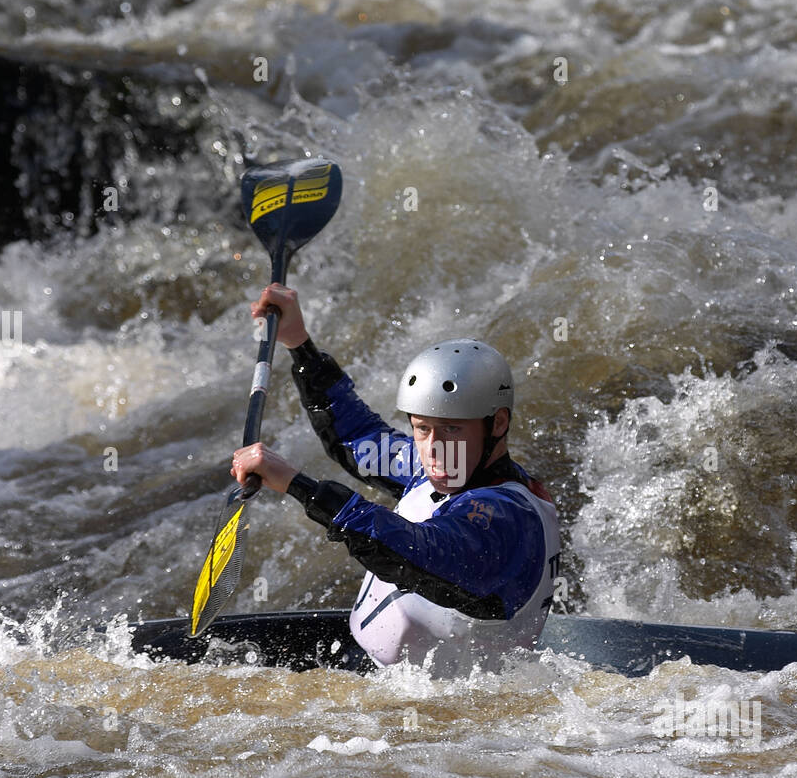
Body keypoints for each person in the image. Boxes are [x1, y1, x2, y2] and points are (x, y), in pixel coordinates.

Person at [231, 283, 561, 675]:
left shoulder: (507, 517)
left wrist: (299, 486)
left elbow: (415, 550)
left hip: (451, 720)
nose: (433, 447)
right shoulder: (445, 467)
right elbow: (357, 439)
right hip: (378, 683)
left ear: (498, 423)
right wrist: (299, 344)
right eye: (422, 429)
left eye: (452, 429)